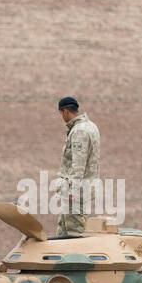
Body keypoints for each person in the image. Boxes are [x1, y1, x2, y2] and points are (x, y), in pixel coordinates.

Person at [54, 96, 101, 236]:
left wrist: (72, 192)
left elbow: (78, 166)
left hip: (77, 193)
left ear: (65, 112)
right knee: (63, 230)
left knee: (75, 234)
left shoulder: (79, 131)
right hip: (83, 189)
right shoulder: (90, 126)